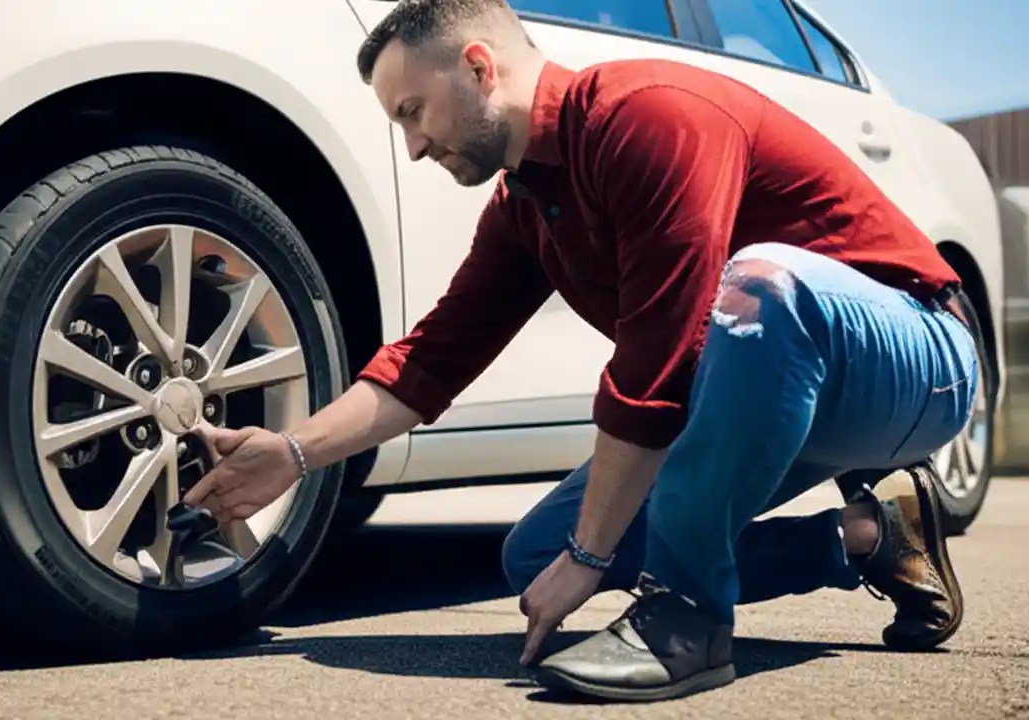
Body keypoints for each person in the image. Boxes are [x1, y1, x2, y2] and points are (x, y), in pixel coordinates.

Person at [185, 0, 978, 703]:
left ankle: (688, 617)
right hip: (768, 401)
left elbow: (661, 360)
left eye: (414, 111)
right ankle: (873, 535)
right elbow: (432, 359)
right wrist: (293, 452)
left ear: (477, 67)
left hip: (916, 364)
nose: (415, 145)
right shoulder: (526, 204)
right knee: (538, 558)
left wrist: (595, 550)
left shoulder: (651, 116)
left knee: (759, 287)